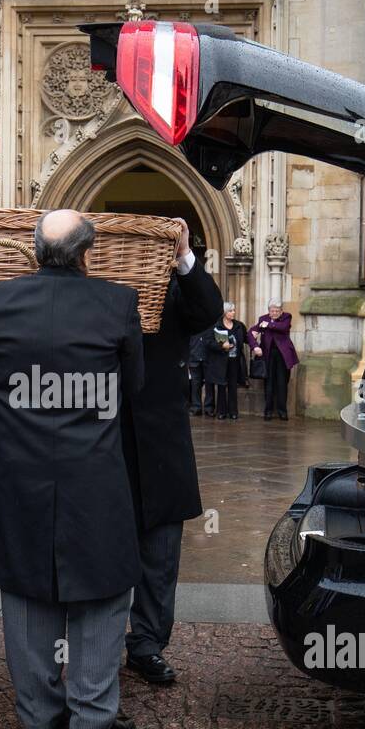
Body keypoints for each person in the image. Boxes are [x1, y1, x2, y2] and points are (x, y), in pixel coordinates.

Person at [0, 209, 144, 729]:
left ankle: (39, 717)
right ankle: (91, 719)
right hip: (94, 477)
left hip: (21, 477)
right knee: (103, 594)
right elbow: (133, 383)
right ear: (88, 254)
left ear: (34, 249)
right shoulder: (118, 302)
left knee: (26, 592)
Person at [120, 219, 223, 685]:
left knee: (160, 556)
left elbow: (208, 310)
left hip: (162, 443)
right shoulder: (102, 288)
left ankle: (147, 643)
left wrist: (184, 257)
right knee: (106, 550)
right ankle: (96, 641)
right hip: (108, 441)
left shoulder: (176, 292)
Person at [248, 301, 299, 421]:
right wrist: (255, 346)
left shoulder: (286, 317)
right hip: (268, 355)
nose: (275, 313)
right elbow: (251, 333)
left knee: (282, 383)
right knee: (269, 383)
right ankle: (268, 411)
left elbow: (283, 327)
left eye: (277, 311)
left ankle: (282, 411)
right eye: (272, 311)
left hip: (283, 356)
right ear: (268, 311)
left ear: (281, 311)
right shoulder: (263, 319)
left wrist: (269, 324)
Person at [204, 302, 248, 420]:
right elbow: (208, 342)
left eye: (234, 310)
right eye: (230, 311)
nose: (233, 313)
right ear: (224, 313)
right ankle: (221, 411)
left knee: (233, 386)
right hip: (220, 361)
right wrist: (221, 346)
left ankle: (233, 412)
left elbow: (247, 338)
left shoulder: (239, 325)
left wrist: (254, 337)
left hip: (234, 361)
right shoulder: (216, 326)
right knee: (222, 385)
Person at [187, 323, 215, 417]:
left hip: (208, 358)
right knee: (195, 384)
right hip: (194, 357)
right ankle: (196, 407)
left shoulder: (211, 325)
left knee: (209, 384)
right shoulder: (191, 326)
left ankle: (209, 407)